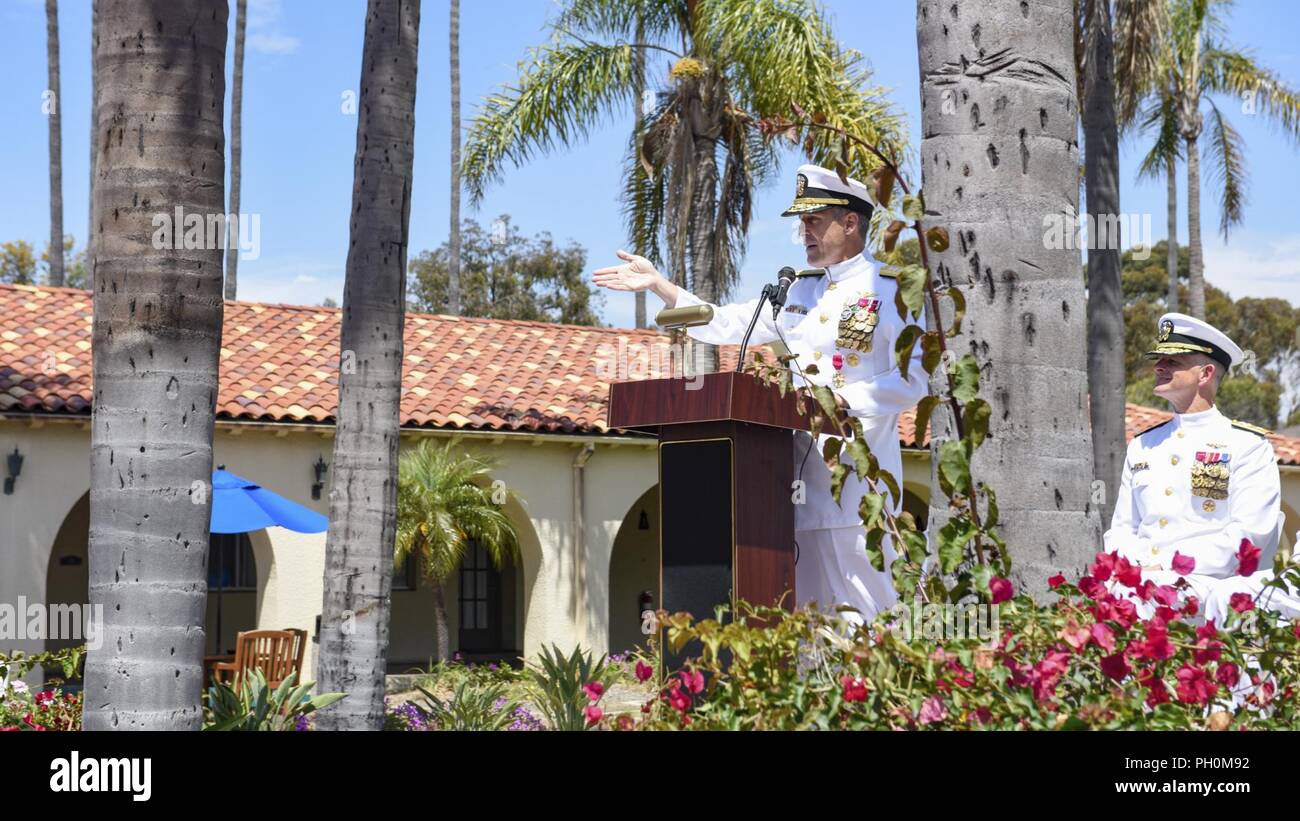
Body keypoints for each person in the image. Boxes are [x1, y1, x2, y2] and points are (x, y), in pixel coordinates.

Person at [592, 163, 929, 625]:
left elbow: (915, 379)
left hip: (858, 490)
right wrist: (661, 287)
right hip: (792, 495)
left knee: (870, 619)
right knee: (809, 628)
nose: (804, 231)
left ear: (850, 222)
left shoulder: (890, 292)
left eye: (814, 220)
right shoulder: (797, 293)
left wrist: (843, 404)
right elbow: (728, 322)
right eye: (801, 222)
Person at [1103, 312, 1283, 618]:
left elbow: (1248, 536)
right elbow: (1122, 528)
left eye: (1174, 361)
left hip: (1210, 591)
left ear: (1205, 373)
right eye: (1159, 360)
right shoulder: (1142, 445)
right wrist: (1131, 570)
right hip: (1140, 586)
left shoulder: (1247, 446)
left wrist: (1165, 565)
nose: (1159, 367)